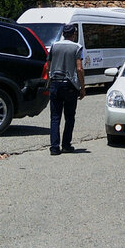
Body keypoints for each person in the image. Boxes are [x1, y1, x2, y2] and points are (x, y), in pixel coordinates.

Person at [48, 23, 86, 155]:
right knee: (69, 117)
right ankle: (66, 145)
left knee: (55, 117)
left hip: (55, 83)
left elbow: (48, 65)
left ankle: (54, 147)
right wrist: (82, 87)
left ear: (63, 34)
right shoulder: (77, 47)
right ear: (74, 34)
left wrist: (49, 82)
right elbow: (79, 68)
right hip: (69, 85)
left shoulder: (54, 46)